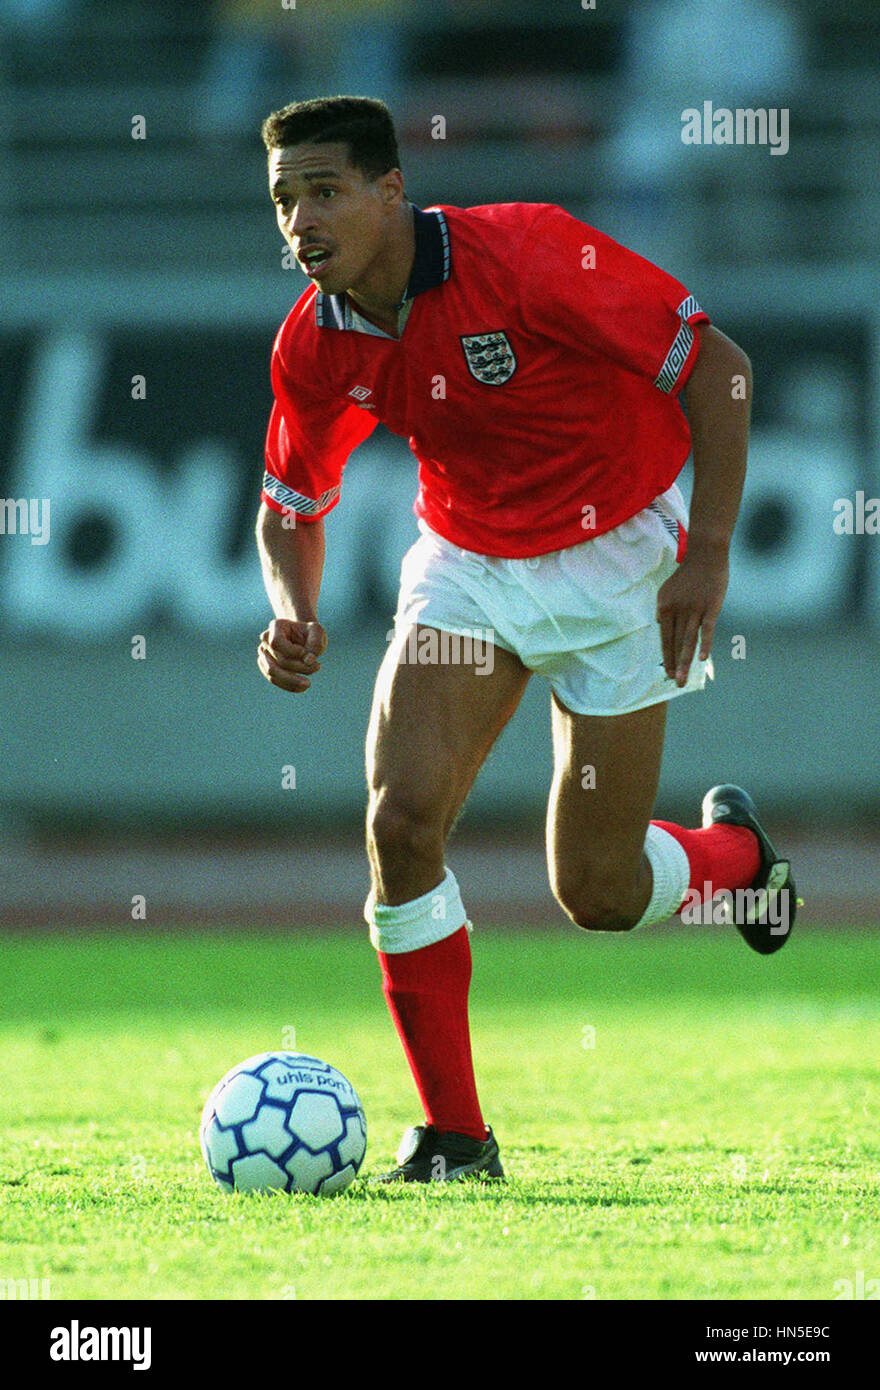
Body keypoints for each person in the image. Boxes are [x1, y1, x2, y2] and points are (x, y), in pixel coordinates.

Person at [254, 96, 797, 1183]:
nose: (300, 219)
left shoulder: (529, 254)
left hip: (619, 565)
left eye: (324, 190)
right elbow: (288, 502)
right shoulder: (317, 342)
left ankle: (737, 861)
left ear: (390, 191)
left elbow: (719, 370)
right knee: (402, 824)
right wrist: (290, 608)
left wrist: (710, 550)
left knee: (595, 893)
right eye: (282, 198)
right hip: (467, 572)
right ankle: (457, 1138)